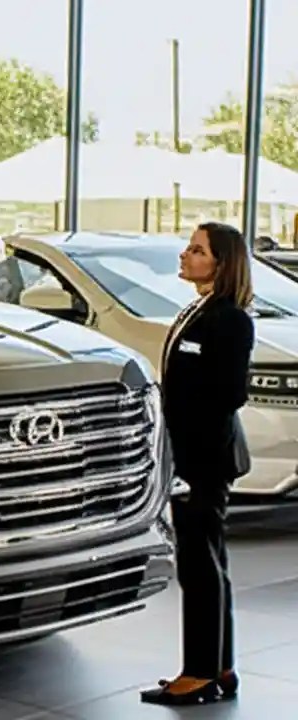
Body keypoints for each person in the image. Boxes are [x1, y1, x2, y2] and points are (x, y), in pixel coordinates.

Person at [141, 222, 255, 706]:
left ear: (221, 262)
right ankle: (220, 665)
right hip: (191, 452)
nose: (185, 255)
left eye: (197, 249)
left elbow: (231, 393)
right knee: (209, 558)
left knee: (200, 564)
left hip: (203, 458)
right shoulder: (199, 309)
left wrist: (187, 437)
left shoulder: (229, 319)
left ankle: (201, 672)